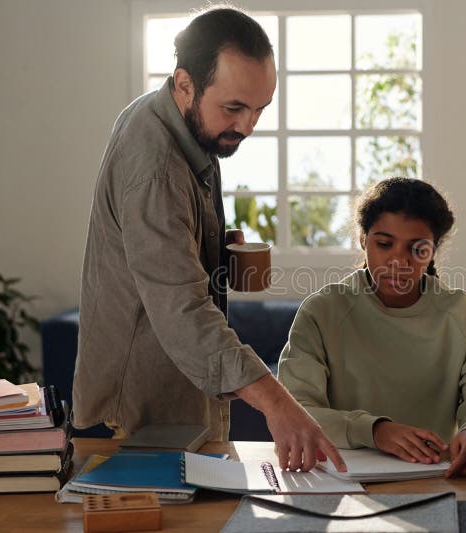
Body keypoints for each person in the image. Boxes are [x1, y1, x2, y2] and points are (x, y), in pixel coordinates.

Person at [72, 7, 344, 473]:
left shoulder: (177, 120)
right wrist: (278, 403)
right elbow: (181, 310)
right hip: (137, 414)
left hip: (174, 400)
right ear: (184, 84)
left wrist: (212, 245)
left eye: (259, 109)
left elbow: (158, 248)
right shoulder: (155, 167)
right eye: (234, 108)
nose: (248, 126)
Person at [278, 177, 466, 477]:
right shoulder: (322, 312)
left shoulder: (464, 316)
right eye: (384, 244)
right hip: (342, 478)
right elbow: (296, 411)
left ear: (434, 250)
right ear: (363, 239)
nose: (398, 261)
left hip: (434, 475)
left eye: (417, 249)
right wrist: (374, 431)